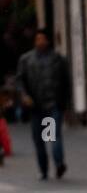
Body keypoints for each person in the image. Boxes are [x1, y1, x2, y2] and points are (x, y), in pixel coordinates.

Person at [15, 27, 70, 180]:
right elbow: (19, 80)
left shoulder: (57, 59)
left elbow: (65, 83)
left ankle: (58, 163)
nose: (40, 42)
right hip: (35, 107)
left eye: (42, 39)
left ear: (48, 40)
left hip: (51, 105)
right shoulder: (26, 60)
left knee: (51, 136)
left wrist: (65, 104)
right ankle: (43, 169)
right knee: (38, 140)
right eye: (37, 39)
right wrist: (24, 95)